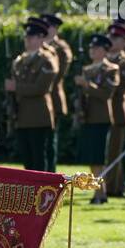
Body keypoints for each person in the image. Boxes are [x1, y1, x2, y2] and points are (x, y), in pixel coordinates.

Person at [5, 18, 60, 172]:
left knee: (39, 158)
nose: (27, 40)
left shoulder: (47, 60)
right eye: (26, 37)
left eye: (32, 37)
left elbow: (41, 88)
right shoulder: (20, 61)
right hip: (22, 116)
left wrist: (16, 87)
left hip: (39, 116)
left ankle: (44, 192)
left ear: (41, 38)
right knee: (28, 159)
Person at [75, 34, 121, 205]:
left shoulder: (111, 69)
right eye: (91, 48)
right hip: (87, 117)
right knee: (91, 157)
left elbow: (106, 93)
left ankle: (101, 192)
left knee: (99, 158)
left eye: (96, 48)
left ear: (104, 50)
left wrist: (87, 86)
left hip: (101, 117)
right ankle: (98, 191)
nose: (92, 51)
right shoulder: (87, 70)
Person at [103, 22, 125, 195]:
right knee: (105, 151)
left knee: (116, 152)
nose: (111, 41)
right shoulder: (103, 60)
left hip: (118, 112)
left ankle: (114, 187)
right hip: (101, 112)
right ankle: (104, 185)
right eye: (110, 37)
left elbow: (124, 84)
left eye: (116, 38)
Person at [40, 13, 73, 172]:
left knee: (50, 141)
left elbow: (58, 74)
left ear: (55, 29)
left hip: (53, 98)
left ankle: (50, 174)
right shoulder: (40, 46)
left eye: (49, 27)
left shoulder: (61, 48)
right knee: (41, 142)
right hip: (39, 100)